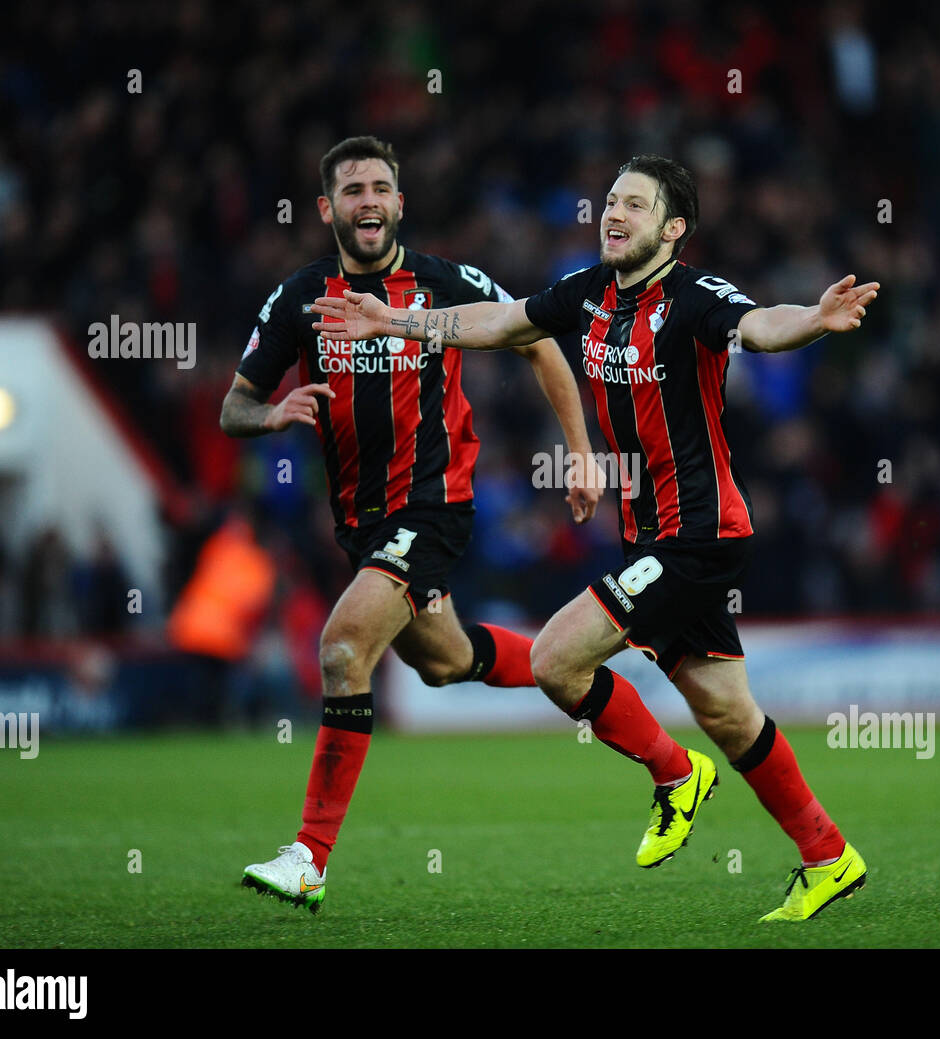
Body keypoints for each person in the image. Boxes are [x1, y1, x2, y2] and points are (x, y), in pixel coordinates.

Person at [313, 154, 880, 922]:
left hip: (699, 537)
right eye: (610, 200)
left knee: (554, 657)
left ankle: (676, 777)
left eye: (635, 205)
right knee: (728, 714)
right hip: (651, 536)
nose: (613, 213)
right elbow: (497, 322)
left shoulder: (693, 296)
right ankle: (828, 856)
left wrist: (811, 320)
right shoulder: (586, 294)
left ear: (673, 228)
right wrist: (397, 319)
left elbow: (757, 324)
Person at [221, 135, 607, 912]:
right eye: (353, 188)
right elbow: (232, 406)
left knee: (341, 649)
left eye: (381, 187)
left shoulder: (445, 282)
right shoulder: (299, 297)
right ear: (328, 208)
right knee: (445, 660)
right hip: (362, 524)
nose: (369, 200)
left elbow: (542, 345)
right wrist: (273, 414)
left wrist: (581, 452)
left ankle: (310, 855)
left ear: (401, 201)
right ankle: (612, 702)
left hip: (432, 507)